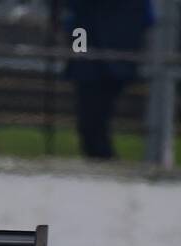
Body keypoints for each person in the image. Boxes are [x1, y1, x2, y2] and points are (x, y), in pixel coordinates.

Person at [65, 0, 155, 159]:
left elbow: (144, 19)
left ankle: (102, 156)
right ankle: (100, 155)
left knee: (95, 114)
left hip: (112, 49)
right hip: (87, 41)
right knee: (89, 114)